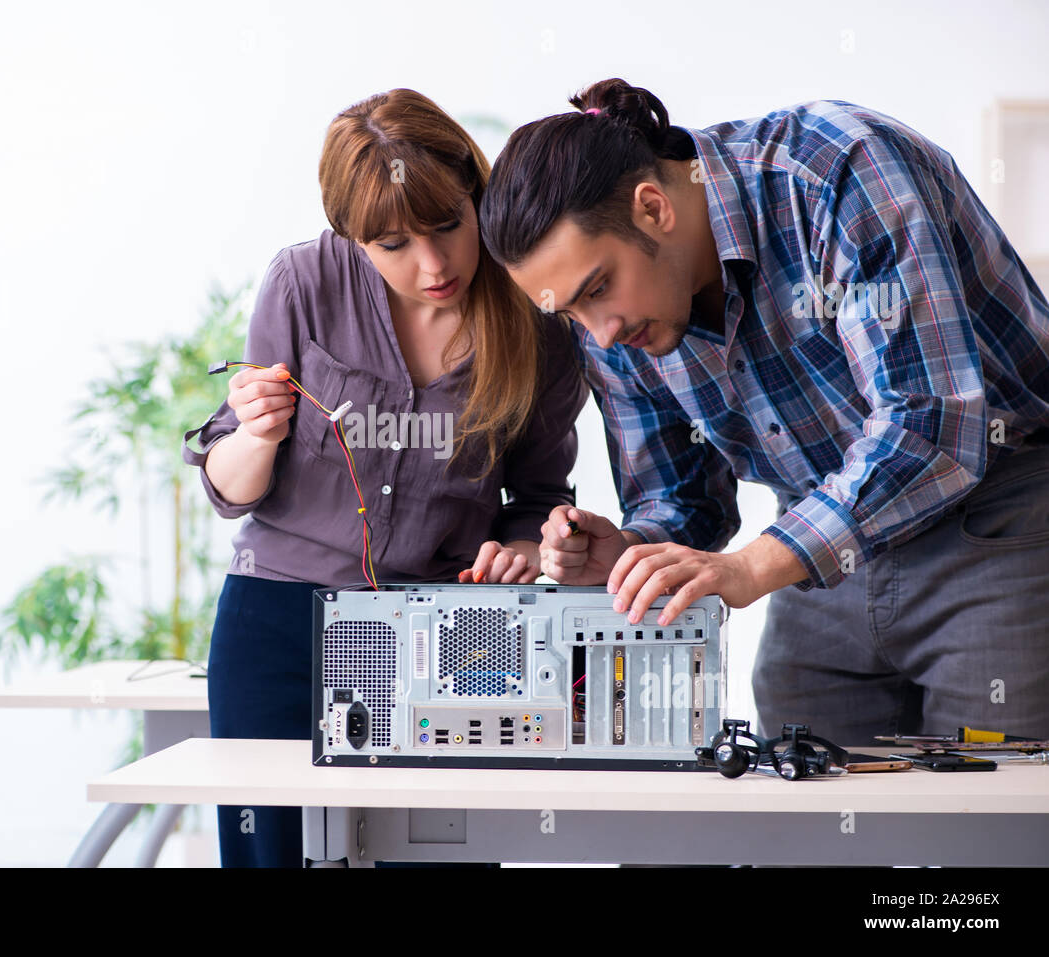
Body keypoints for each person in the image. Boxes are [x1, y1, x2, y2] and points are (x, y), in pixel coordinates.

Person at [478, 78, 1049, 748]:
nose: (597, 333)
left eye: (598, 289)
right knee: (801, 818)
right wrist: (629, 550)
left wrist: (751, 569)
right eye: (569, 310)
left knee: (987, 827)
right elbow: (679, 497)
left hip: (993, 530)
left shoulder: (837, 172)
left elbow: (929, 428)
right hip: (817, 561)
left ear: (653, 207)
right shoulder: (612, 323)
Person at [184, 88, 588, 866]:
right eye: (394, 244)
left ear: (478, 194)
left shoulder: (538, 320)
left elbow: (539, 502)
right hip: (279, 621)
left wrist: (521, 550)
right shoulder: (303, 283)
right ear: (351, 237)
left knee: (444, 856)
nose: (432, 265)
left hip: (449, 631)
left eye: (448, 227)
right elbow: (231, 489)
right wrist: (260, 433)